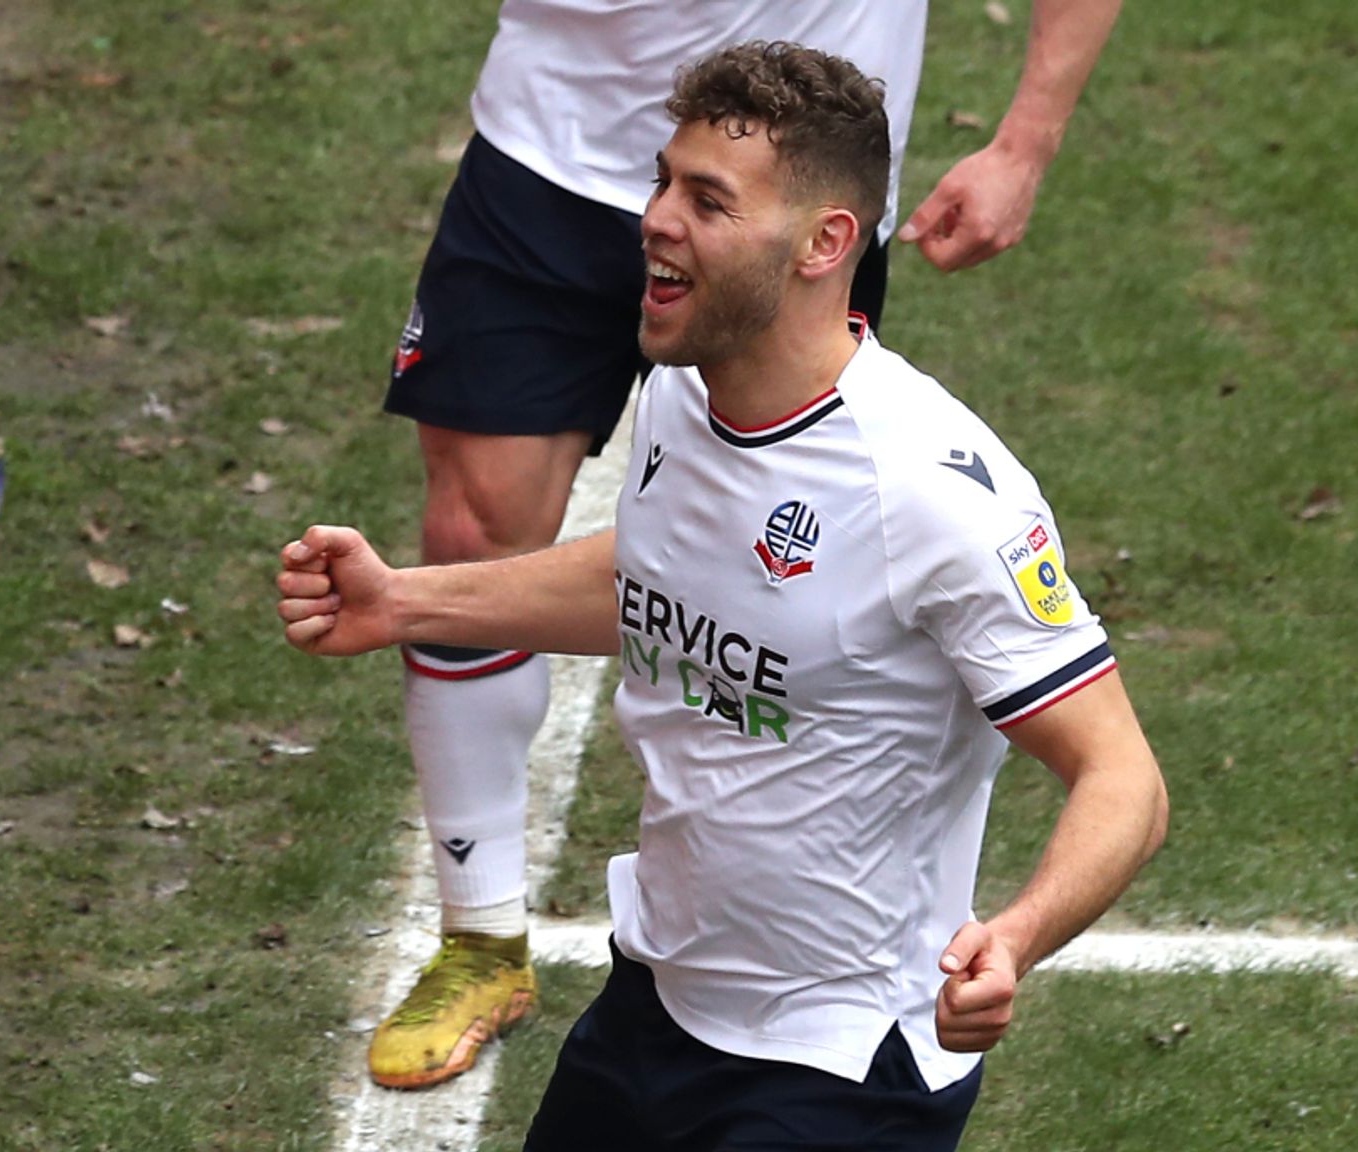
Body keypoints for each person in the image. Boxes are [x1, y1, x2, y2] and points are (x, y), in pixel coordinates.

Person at [291, 42, 1167, 1147]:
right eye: (662, 182)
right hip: (653, 1002)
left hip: (840, 1067)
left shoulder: (930, 496)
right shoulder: (679, 396)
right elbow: (658, 578)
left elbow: (1122, 777)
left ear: (825, 243)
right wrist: (409, 603)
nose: (655, 219)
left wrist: (1016, 937)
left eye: (706, 201)